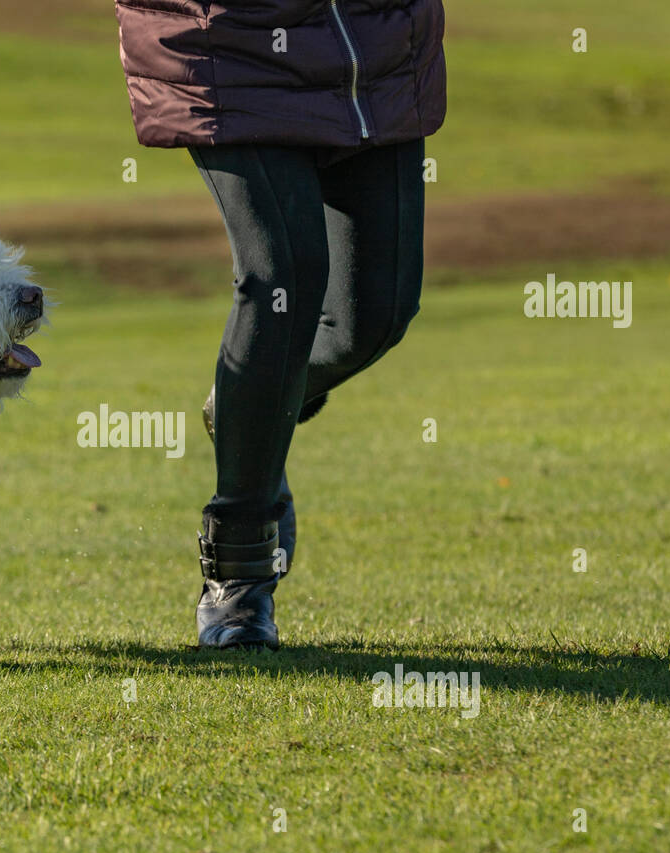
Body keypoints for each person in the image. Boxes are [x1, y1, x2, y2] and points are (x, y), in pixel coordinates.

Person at [114, 1, 447, 648]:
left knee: (374, 316)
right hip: (231, 47)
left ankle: (248, 408)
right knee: (282, 278)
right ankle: (239, 570)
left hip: (374, 44)